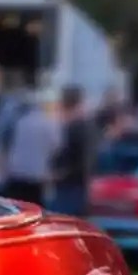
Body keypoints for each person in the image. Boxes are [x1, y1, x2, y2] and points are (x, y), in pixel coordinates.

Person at [3, 89, 61, 207]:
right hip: (36, 177)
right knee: (34, 211)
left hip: (16, 174)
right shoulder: (49, 124)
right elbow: (57, 147)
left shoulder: (19, 122)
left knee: (15, 209)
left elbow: (7, 145)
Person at [50, 85, 97, 216]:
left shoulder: (74, 128)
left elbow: (72, 158)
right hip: (77, 184)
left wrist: (59, 173)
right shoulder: (85, 126)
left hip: (70, 185)